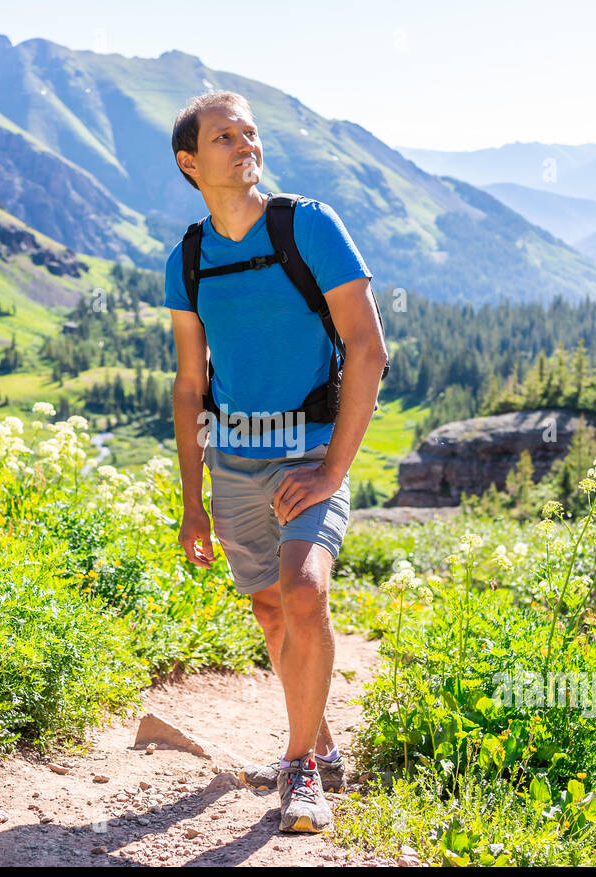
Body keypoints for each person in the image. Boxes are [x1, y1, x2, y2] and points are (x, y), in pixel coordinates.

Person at [163, 90, 388, 832]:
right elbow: (191, 384)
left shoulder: (309, 226)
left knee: (303, 591)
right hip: (231, 460)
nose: (245, 144)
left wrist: (330, 471)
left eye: (250, 133)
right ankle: (318, 743)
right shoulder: (189, 260)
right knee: (266, 606)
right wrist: (192, 502)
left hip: (310, 453)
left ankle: (300, 771)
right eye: (225, 136)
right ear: (190, 162)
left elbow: (367, 348)